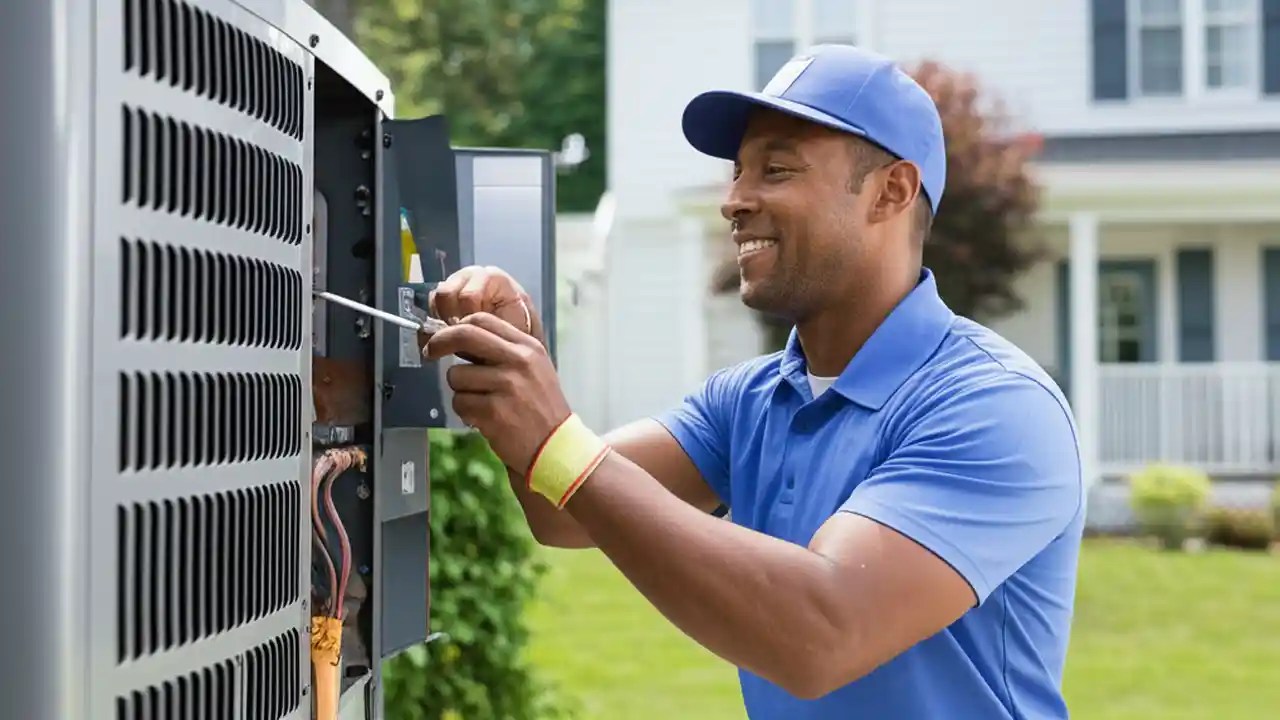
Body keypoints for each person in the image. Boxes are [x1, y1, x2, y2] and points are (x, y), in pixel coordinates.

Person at [422, 44, 1084, 720]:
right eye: (738, 173)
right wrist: (515, 359)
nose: (735, 201)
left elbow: (821, 632)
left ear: (892, 191)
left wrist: (555, 440)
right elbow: (559, 506)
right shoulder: (749, 401)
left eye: (776, 169)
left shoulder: (992, 405)